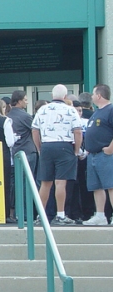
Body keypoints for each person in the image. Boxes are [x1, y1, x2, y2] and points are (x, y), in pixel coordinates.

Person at [32, 84, 82, 225]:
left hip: (47, 146)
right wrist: (76, 150)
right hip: (65, 146)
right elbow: (78, 131)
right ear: (65, 96)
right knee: (61, 182)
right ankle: (60, 215)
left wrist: (39, 148)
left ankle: (41, 215)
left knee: (45, 182)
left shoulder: (42, 109)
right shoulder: (70, 110)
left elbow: (34, 130)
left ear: (52, 95)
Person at [81, 84, 113, 225]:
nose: (92, 97)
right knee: (96, 186)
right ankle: (100, 215)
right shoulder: (96, 112)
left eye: (94, 94)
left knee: (111, 185)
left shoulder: (110, 110)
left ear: (99, 95)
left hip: (105, 155)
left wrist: (110, 148)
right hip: (93, 155)